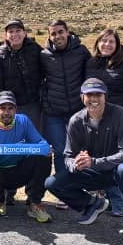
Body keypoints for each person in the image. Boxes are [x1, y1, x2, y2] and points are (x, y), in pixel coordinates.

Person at [45, 78, 123, 245]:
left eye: (98, 94)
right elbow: (67, 155)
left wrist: (94, 162)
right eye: (89, 95)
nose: (93, 99)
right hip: (92, 172)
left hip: (116, 170)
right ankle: (93, 204)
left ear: (105, 96)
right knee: (52, 183)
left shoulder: (119, 114)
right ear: (82, 97)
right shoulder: (76, 120)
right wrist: (75, 164)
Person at [86, 28, 123, 217]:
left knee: (122, 160)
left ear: (117, 45)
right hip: (97, 120)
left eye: (111, 41)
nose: (107, 45)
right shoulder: (91, 64)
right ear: (97, 43)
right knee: (102, 160)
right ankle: (115, 200)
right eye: (103, 41)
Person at [0, 91, 52, 223]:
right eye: (2, 108)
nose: (6, 112)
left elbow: (39, 141)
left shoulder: (23, 120)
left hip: (20, 169)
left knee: (43, 156)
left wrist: (46, 147)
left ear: (15, 109)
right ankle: (0, 200)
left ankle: (35, 203)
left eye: (10, 108)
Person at [39, 19, 90, 180]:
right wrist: (46, 102)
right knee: (60, 150)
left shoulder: (81, 51)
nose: (57, 36)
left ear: (68, 32)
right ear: (49, 36)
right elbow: (39, 79)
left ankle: (79, 186)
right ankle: (63, 186)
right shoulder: (44, 55)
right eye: (53, 33)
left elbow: (89, 76)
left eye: (61, 32)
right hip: (54, 113)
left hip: (78, 110)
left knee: (79, 149)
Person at [0, 18, 44, 133]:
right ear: (6, 35)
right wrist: (2, 107)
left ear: (24, 33)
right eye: (11, 31)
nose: (15, 34)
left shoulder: (35, 49)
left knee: (32, 137)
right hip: (9, 107)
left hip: (32, 104)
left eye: (18, 30)